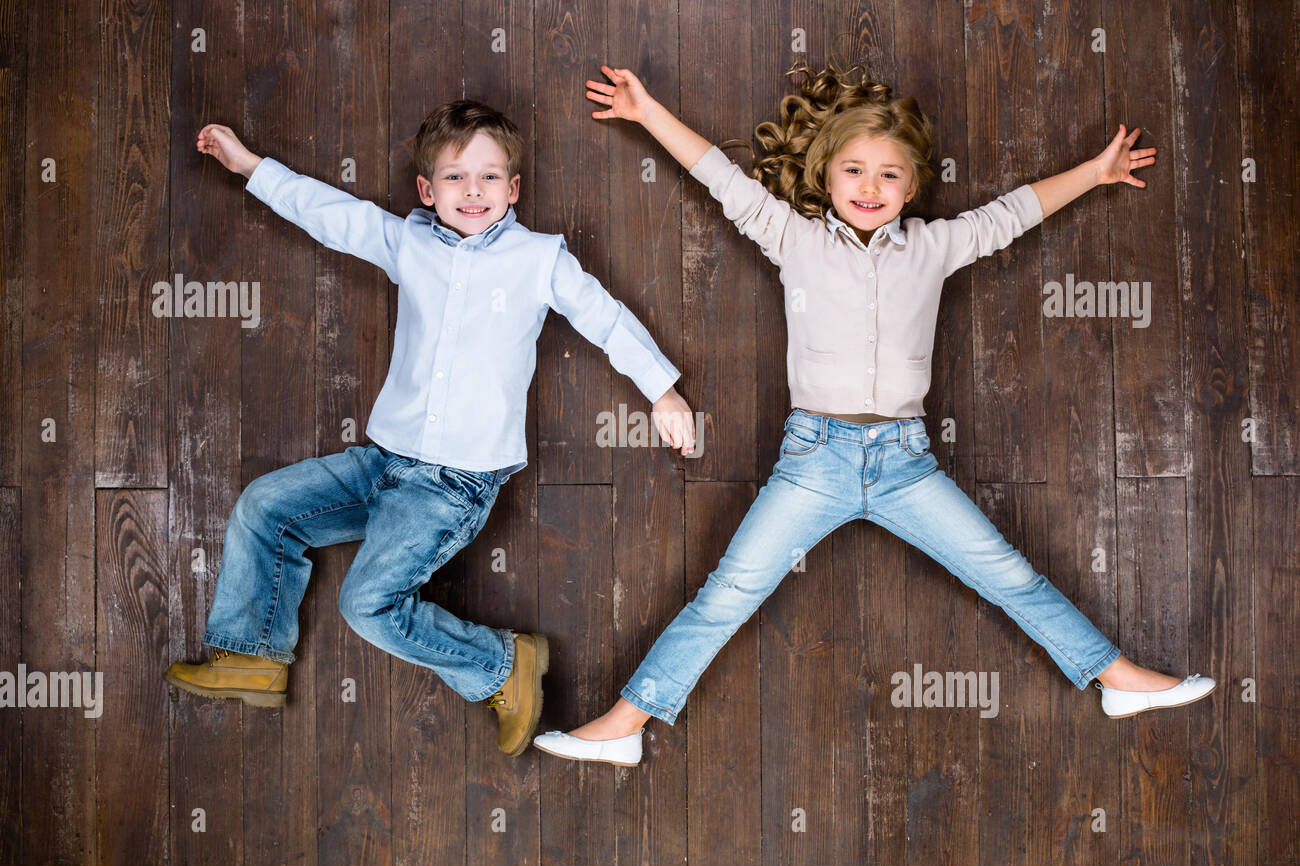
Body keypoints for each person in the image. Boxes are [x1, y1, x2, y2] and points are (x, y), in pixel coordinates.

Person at [533, 64, 1213, 767]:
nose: (869, 187)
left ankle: (1118, 679)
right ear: (827, 177)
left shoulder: (933, 246)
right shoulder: (793, 238)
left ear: (912, 188)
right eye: (854, 170)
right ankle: (624, 724)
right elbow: (720, 178)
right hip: (812, 461)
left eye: (889, 176)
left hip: (906, 464)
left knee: (1009, 575)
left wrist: (1094, 173)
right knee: (726, 594)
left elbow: (1013, 214)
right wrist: (648, 113)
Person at [164, 99, 697, 758]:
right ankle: (251, 655)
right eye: (454, 177)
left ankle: (499, 665)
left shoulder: (538, 259)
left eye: (490, 177)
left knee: (369, 605)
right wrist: (248, 165)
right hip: (384, 464)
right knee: (265, 507)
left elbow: (606, 319)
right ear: (426, 189)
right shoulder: (408, 242)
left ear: (514, 188)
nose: (473, 191)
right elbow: (331, 216)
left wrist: (664, 392)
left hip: (454, 484)